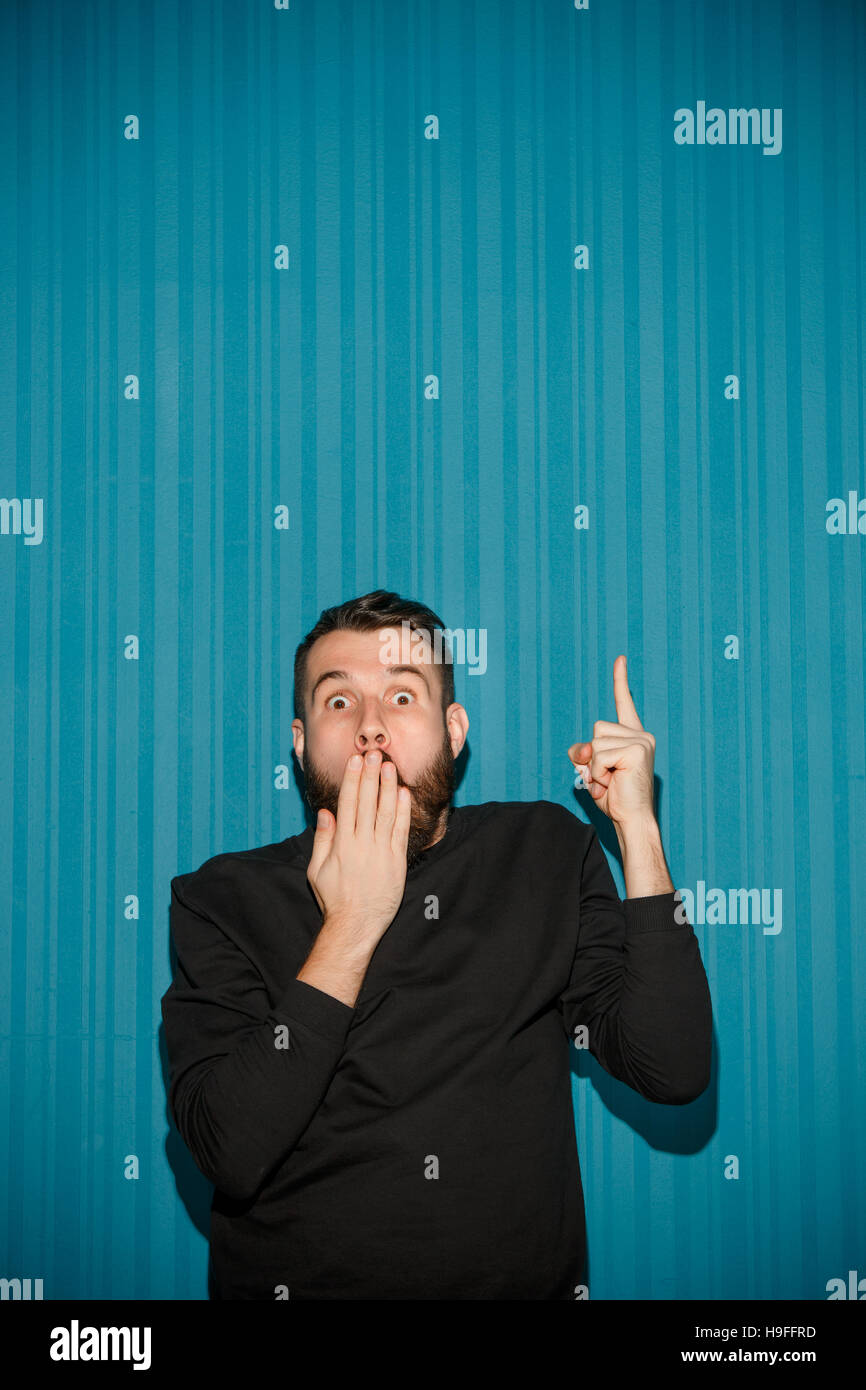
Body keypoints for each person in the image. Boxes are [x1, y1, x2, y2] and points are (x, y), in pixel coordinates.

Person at [161, 590, 712, 1300]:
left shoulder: (542, 854)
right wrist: (351, 926)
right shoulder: (221, 900)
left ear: (454, 730)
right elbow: (226, 1151)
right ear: (299, 743)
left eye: (401, 696)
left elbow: (672, 1068)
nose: (370, 728)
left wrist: (636, 829)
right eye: (338, 702)